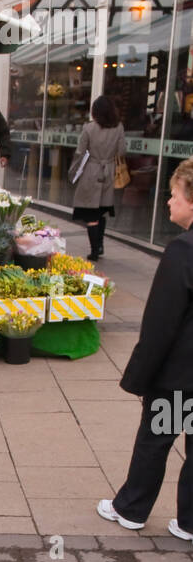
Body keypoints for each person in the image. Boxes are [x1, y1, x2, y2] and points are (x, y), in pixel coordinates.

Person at [98, 157, 193, 541]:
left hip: (180, 374)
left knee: (156, 439)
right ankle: (189, 522)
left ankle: (131, 508)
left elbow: (160, 324)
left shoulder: (183, 252)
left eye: (174, 195)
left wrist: (138, 375)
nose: (169, 202)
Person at [71, 95, 126, 261]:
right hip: (108, 170)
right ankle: (100, 245)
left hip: (91, 171)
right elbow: (122, 151)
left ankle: (94, 250)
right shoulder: (119, 128)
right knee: (102, 210)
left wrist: (73, 172)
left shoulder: (88, 128)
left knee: (91, 213)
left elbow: (80, 152)